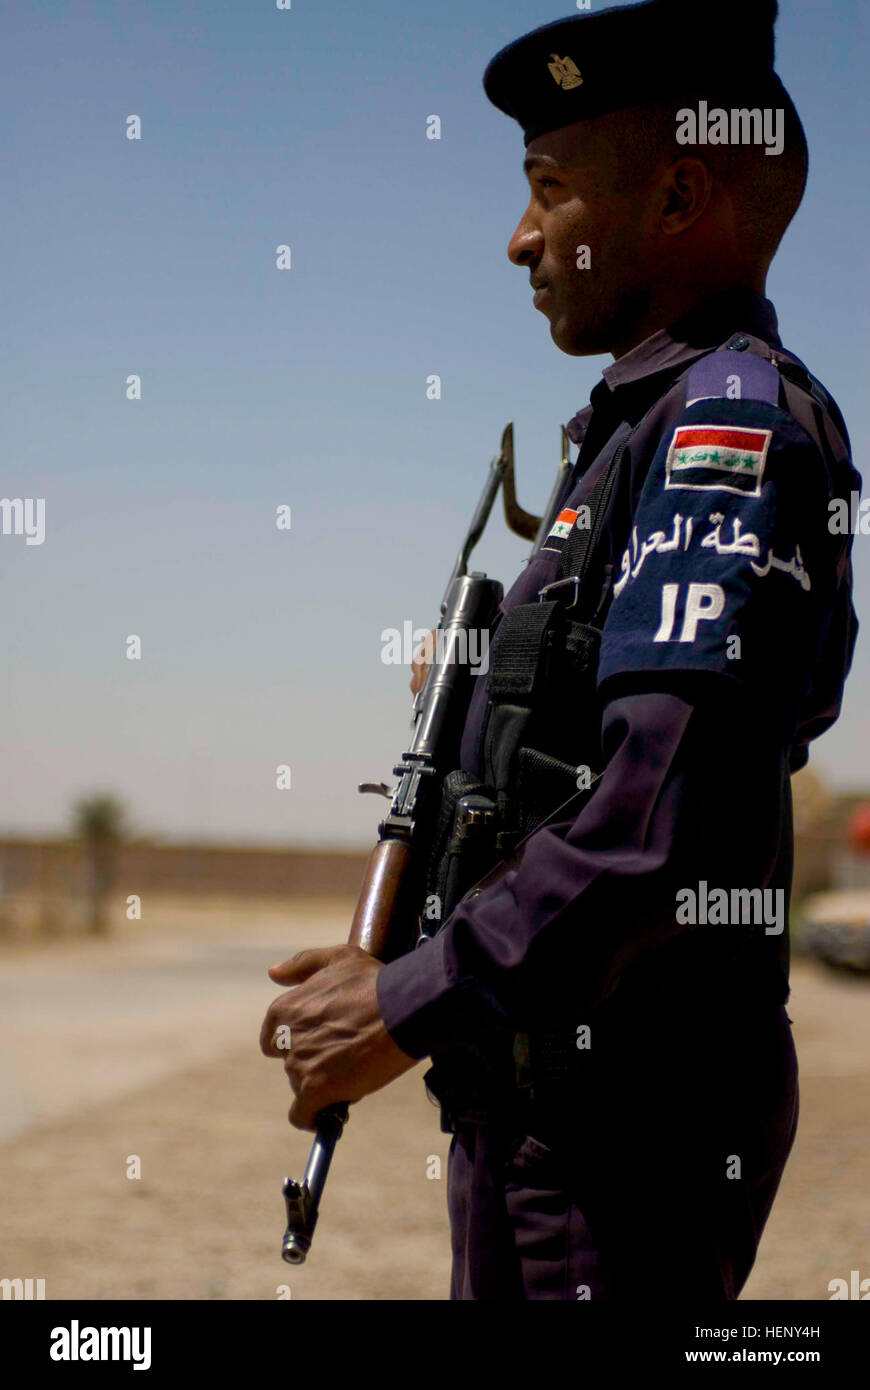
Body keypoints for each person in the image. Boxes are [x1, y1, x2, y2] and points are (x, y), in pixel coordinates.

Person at [260, 0, 860, 1300]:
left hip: (621, 1128)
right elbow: (581, 765)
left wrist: (406, 1000)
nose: (520, 238)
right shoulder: (629, 433)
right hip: (551, 1101)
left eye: (547, 190)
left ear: (678, 196)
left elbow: (660, 818)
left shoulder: (727, 425)